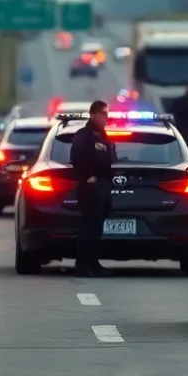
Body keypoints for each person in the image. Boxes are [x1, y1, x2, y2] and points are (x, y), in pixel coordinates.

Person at [69, 100, 116, 277]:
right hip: (91, 188)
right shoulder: (85, 135)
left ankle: (93, 263)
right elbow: (77, 157)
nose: (106, 118)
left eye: (107, 114)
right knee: (89, 227)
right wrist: (88, 176)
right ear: (93, 114)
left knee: (97, 227)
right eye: (103, 114)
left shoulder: (102, 134)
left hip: (103, 185)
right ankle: (83, 265)